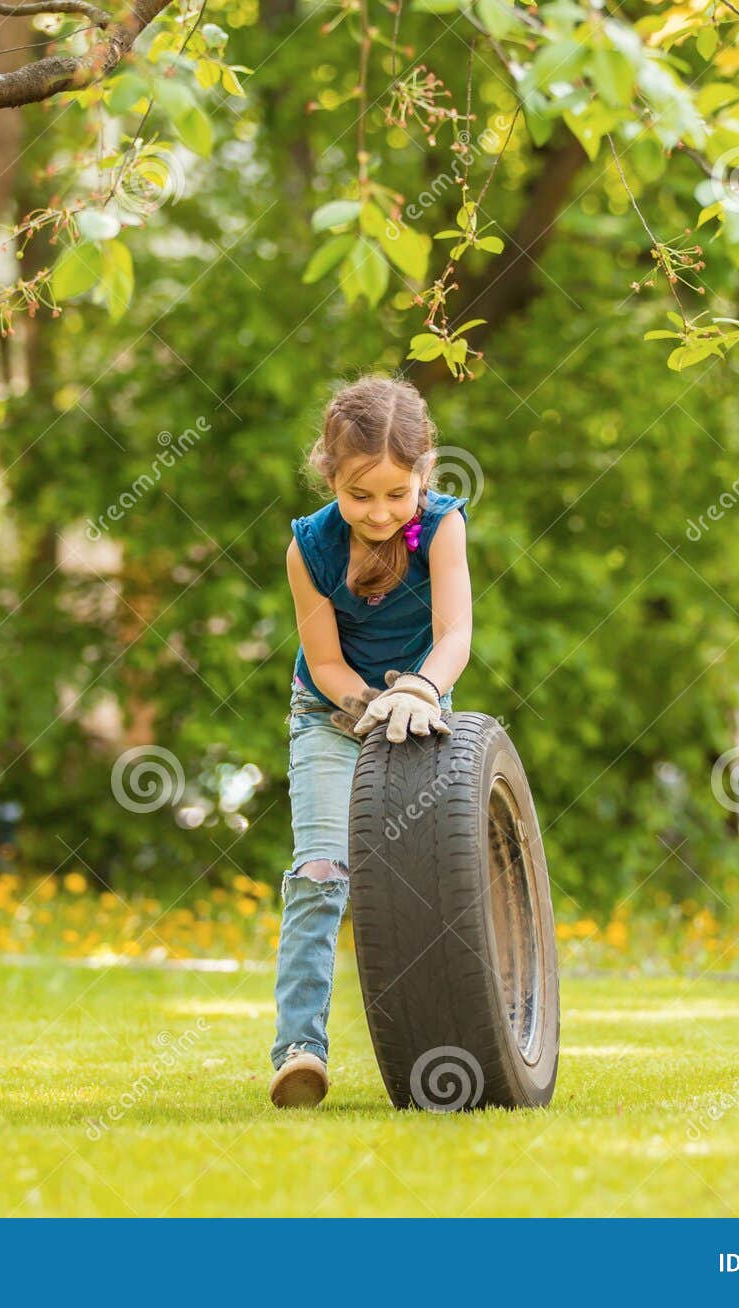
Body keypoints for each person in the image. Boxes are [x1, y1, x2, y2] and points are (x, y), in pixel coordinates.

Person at [269, 372, 473, 1108]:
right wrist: (369, 705)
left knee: (433, 882)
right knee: (322, 871)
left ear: (424, 474)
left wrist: (416, 691)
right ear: (330, 477)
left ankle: (441, 1042)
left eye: (396, 493)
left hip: (422, 700)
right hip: (331, 710)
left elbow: (456, 637)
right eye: (360, 496)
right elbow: (323, 661)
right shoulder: (309, 548)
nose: (381, 512)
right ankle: (299, 1050)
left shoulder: (443, 527)